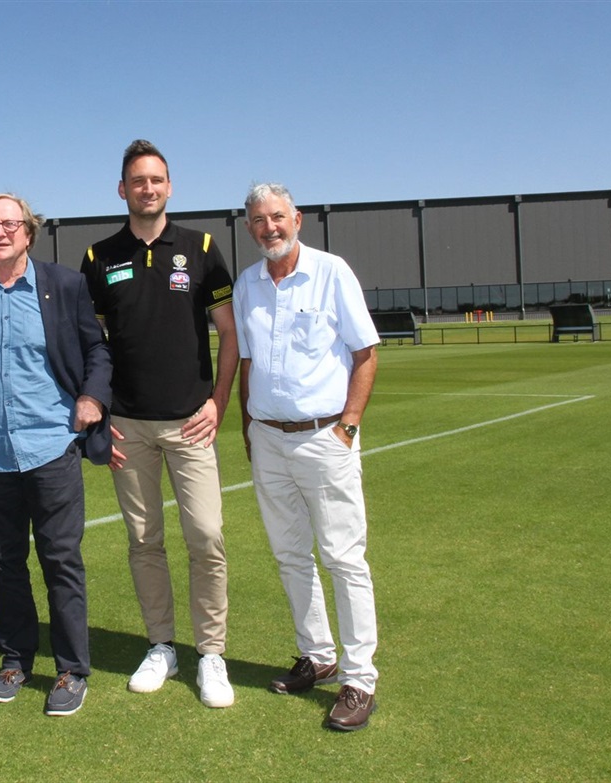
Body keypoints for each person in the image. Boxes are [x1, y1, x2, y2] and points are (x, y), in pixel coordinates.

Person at [0, 193, 111, 717]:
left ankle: (71, 670)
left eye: (10, 223)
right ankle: (15, 659)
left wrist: (91, 396)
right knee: (4, 562)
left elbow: (98, 349)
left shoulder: (65, 285)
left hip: (51, 445)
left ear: (29, 233)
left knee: (61, 561)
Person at [79, 139, 239, 708]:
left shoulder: (201, 247)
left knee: (207, 537)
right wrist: (99, 415)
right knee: (144, 540)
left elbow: (228, 333)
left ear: (169, 187)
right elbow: (89, 343)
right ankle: (162, 646)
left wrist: (218, 401)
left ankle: (211, 654)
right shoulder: (99, 256)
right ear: (122, 190)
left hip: (191, 423)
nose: (148, 188)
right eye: (138, 181)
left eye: (157, 180)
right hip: (127, 426)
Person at [233, 182, 380, 732]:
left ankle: (360, 680)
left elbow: (366, 354)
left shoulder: (331, 271)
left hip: (325, 437)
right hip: (268, 437)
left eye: (278, 217)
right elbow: (247, 362)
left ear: (296, 219)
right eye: (259, 220)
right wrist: (249, 427)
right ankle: (317, 655)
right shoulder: (248, 283)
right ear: (249, 227)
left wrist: (347, 426)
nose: (269, 227)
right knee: (291, 554)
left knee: (344, 558)